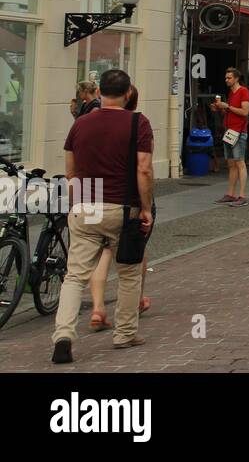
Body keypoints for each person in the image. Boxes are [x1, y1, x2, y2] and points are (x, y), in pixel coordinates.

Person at [52, 68, 153, 363]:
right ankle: (124, 333)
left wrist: (77, 204)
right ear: (128, 94)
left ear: (99, 92)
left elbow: (70, 171)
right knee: (129, 272)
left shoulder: (81, 124)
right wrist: (145, 207)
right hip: (122, 207)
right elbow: (144, 169)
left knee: (74, 276)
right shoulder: (138, 122)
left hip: (85, 206)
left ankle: (63, 334)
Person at [211, 67, 249, 207]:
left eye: (229, 78)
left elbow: (245, 112)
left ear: (236, 78)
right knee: (231, 163)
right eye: (226, 77)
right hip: (230, 131)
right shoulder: (231, 93)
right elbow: (231, 112)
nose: (226, 80)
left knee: (240, 162)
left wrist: (226, 107)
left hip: (239, 132)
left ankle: (242, 196)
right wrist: (220, 108)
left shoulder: (243, 91)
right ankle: (231, 194)